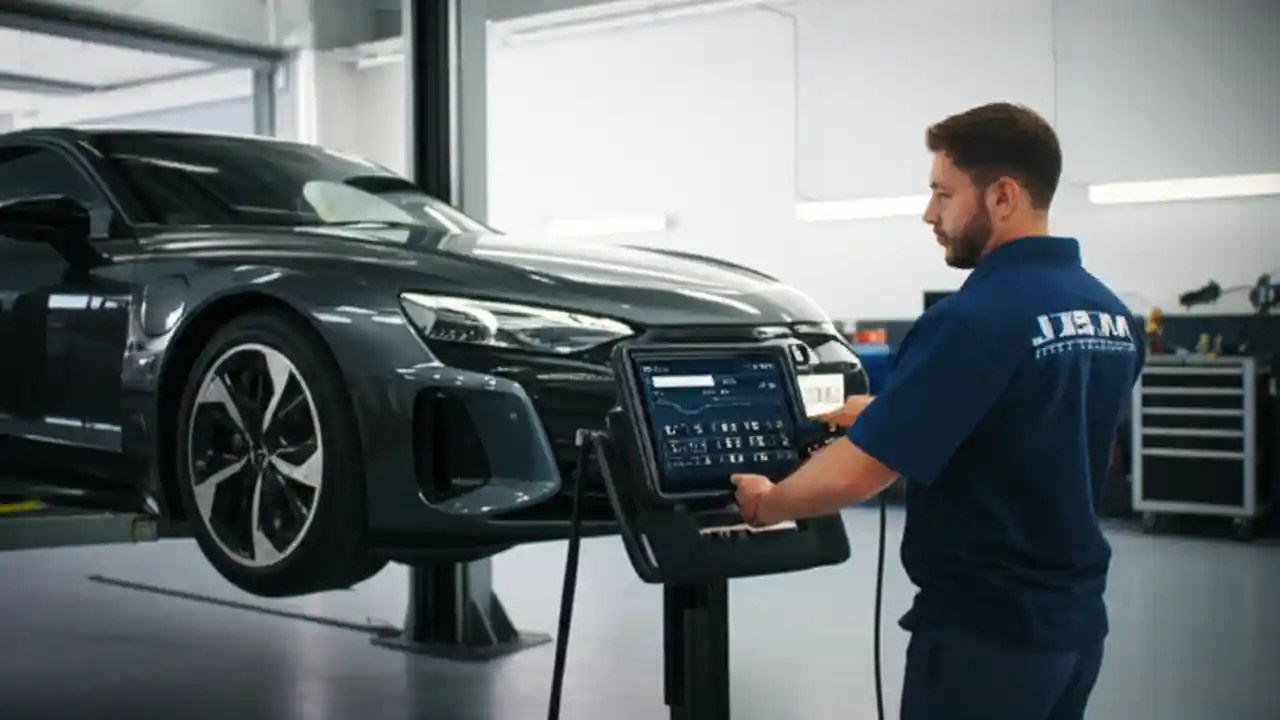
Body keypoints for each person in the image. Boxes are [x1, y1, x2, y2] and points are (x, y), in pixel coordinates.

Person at [731, 102, 1144, 720]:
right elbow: (1033, 419)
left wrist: (768, 503)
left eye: (942, 194)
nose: (930, 214)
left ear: (1003, 196)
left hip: (984, 638)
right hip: (1076, 628)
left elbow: (856, 474)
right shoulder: (1111, 314)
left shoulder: (971, 320)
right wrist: (890, 409)